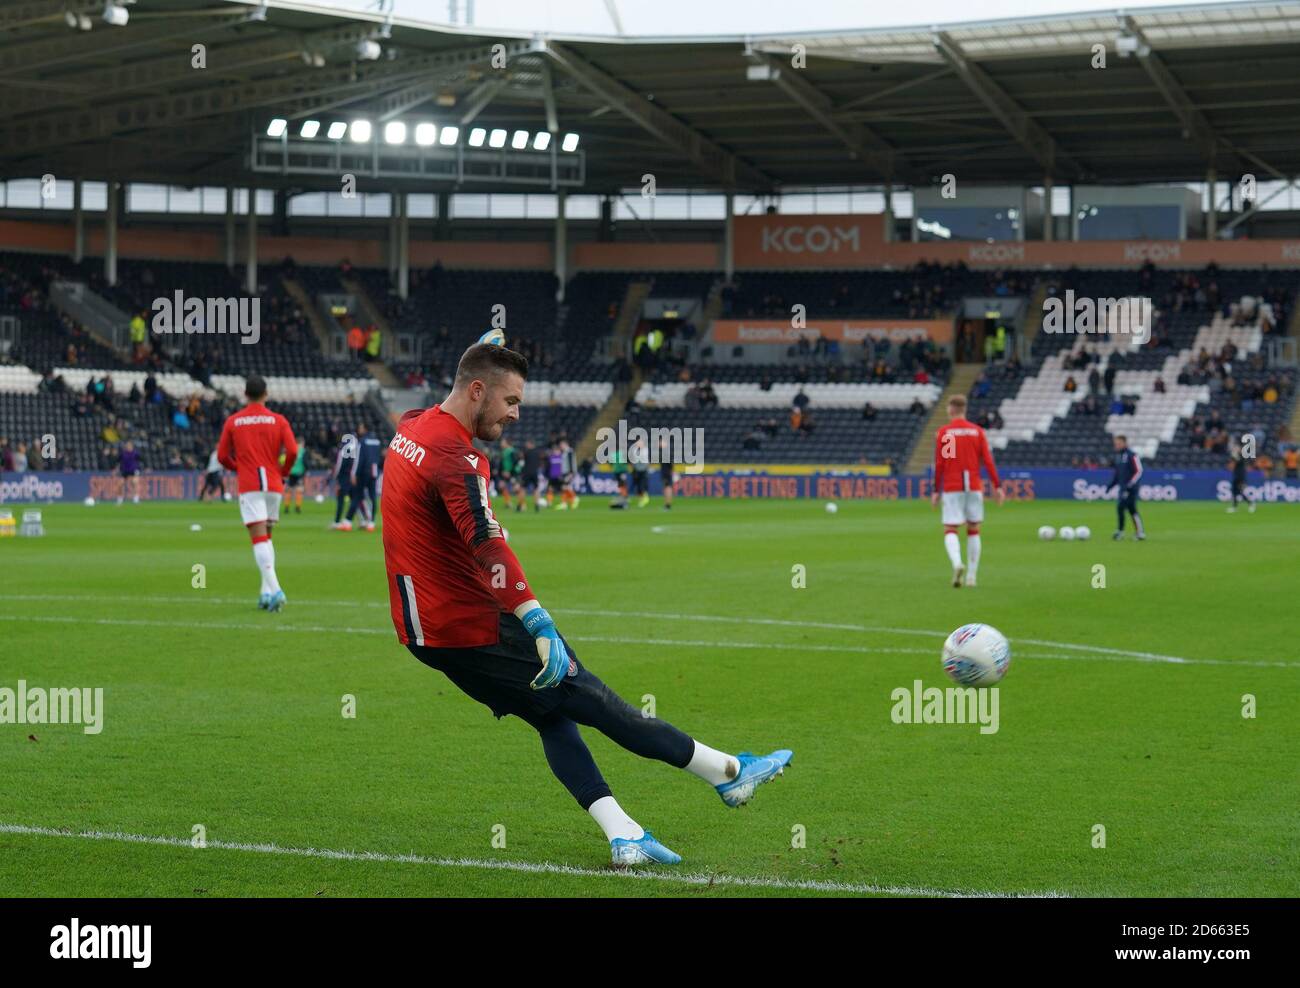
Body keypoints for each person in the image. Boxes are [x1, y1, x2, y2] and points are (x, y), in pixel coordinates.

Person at [378, 342, 792, 866]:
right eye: (510, 400)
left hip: (423, 632)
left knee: (551, 713)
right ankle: (729, 772)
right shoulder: (457, 457)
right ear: (477, 391)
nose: (515, 413)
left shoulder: (412, 425)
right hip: (473, 623)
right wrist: (538, 620)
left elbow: (458, 390)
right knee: (595, 700)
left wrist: (481, 359)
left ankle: (624, 834)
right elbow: (487, 543)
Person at [216, 374, 298, 610]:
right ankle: (265, 593)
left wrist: (238, 468)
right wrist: (283, 471)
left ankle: (276, 589)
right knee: (267, 538)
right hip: (273, 485)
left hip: (250, 485)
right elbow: (292, 451)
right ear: (266, 394)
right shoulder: (279, 420)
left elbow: (222, 456)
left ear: (245, 394)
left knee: (258, 539)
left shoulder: (234, 421)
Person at [931, 395, 1004, 588]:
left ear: (951, 409)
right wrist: (997, 486)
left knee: (950, 528)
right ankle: (972, 576)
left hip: (953, 486)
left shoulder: (946, 433)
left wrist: (935, 489)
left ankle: (957, 563)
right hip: (973, 485)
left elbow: (942, 463)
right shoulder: (977, 431)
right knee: (974, 530)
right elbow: (988, 461)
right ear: (964, 409)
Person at [345, 423, 382, 532]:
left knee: (357, 496)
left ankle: (347, 521)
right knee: (372, 496)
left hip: (363, 472)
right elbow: (378, 457)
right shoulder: (377, 441)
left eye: (360, 428)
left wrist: (354, 473)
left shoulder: (362, 441)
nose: (358, 429)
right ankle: (371, 523)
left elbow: (358, 459)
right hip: (374, 471)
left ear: (365, 429)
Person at [1108, 434, 1146, 541]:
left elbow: (1139, 471)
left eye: (1118, 443)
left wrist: (1131, 484)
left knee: (1129, 508)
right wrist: (1110, 485)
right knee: (1122, 508)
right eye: (1115, 443)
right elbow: (1118, 474)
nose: (1116, 445)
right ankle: (1123, 532)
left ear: (1124, 443)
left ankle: (1138, 533)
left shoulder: (1132, 455)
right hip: (1123, 488)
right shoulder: (1118, 457)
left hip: (1131, 488)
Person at [331, 431, 359, 531]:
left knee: (341, 500)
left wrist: (335, 477)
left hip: (344, 477)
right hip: (354, 477)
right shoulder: (358, 448)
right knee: (356, 499)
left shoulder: (344, 449)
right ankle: (359, 520)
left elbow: (339, 465)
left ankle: (337, 522)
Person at [1227, 439, 1257, 514]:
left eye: (1237, 448)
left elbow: (1236, 461)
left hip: (1240, 476)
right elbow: (1231, 463)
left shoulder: (1241, 456)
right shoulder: (1236, 456)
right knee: (1234, 491)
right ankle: (1234, 507)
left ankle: (1251, 504)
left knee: (1240, 491)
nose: (1235, 449)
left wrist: (1234, 455)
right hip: (1236, 475)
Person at [284, 434, 308, 513]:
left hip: (291, 472)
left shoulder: (292, 449)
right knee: (299, 490)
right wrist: (306, 470)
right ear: (302, 443)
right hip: (299, 473)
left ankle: (287, 507)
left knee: (289, 490)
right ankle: (297, 507)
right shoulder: (303, 451)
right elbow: (305, 462)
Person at [117, 440, 141, 504]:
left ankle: (136, 498)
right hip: (124, 470)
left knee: (134, 482)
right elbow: (118, 460)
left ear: (132, 446)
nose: (128, 447)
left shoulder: (136, 453)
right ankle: (120, 499)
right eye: (127, 446)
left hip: (133, 470)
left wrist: (139, 468)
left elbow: (141, 460)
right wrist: (116, 468)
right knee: (120, 484)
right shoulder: (123, 453)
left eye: (129, 446)